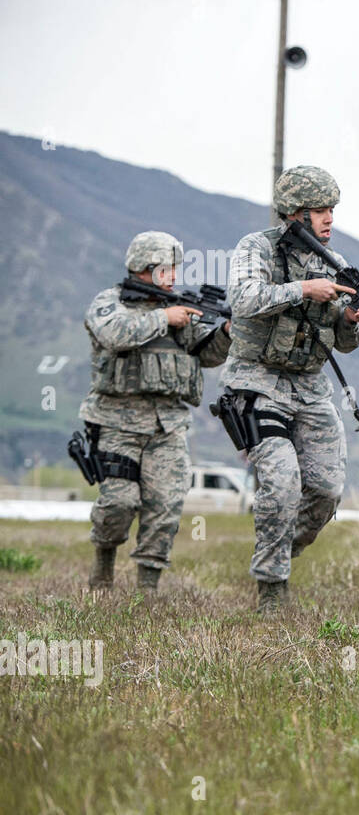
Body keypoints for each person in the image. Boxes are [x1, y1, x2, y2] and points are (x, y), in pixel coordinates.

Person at [222, 165, 359, 613]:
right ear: (293, 214)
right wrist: (303, 289)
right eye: (319, 210)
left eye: (332, 209)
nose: (329, 218)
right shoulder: (257, 248)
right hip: (256, 380)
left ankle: (278, 554)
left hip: (310, 387)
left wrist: (349, 321)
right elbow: (245, 299)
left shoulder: (338, 264)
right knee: (282, 483)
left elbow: (343, 345)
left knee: (326, 491)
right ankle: (271, 589)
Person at [82, 231, 232, 592]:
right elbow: (115, 334)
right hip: (117, 422)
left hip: (169, 425)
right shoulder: (111, 302)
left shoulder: (180, 307)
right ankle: (103, 564)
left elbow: (206, 354)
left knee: (165, 506)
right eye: (166, 269)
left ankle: (146, 590)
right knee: (119, 502)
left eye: (175, 269)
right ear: (143, 268)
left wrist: (227, 331)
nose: (173, 276)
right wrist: (166, 317)